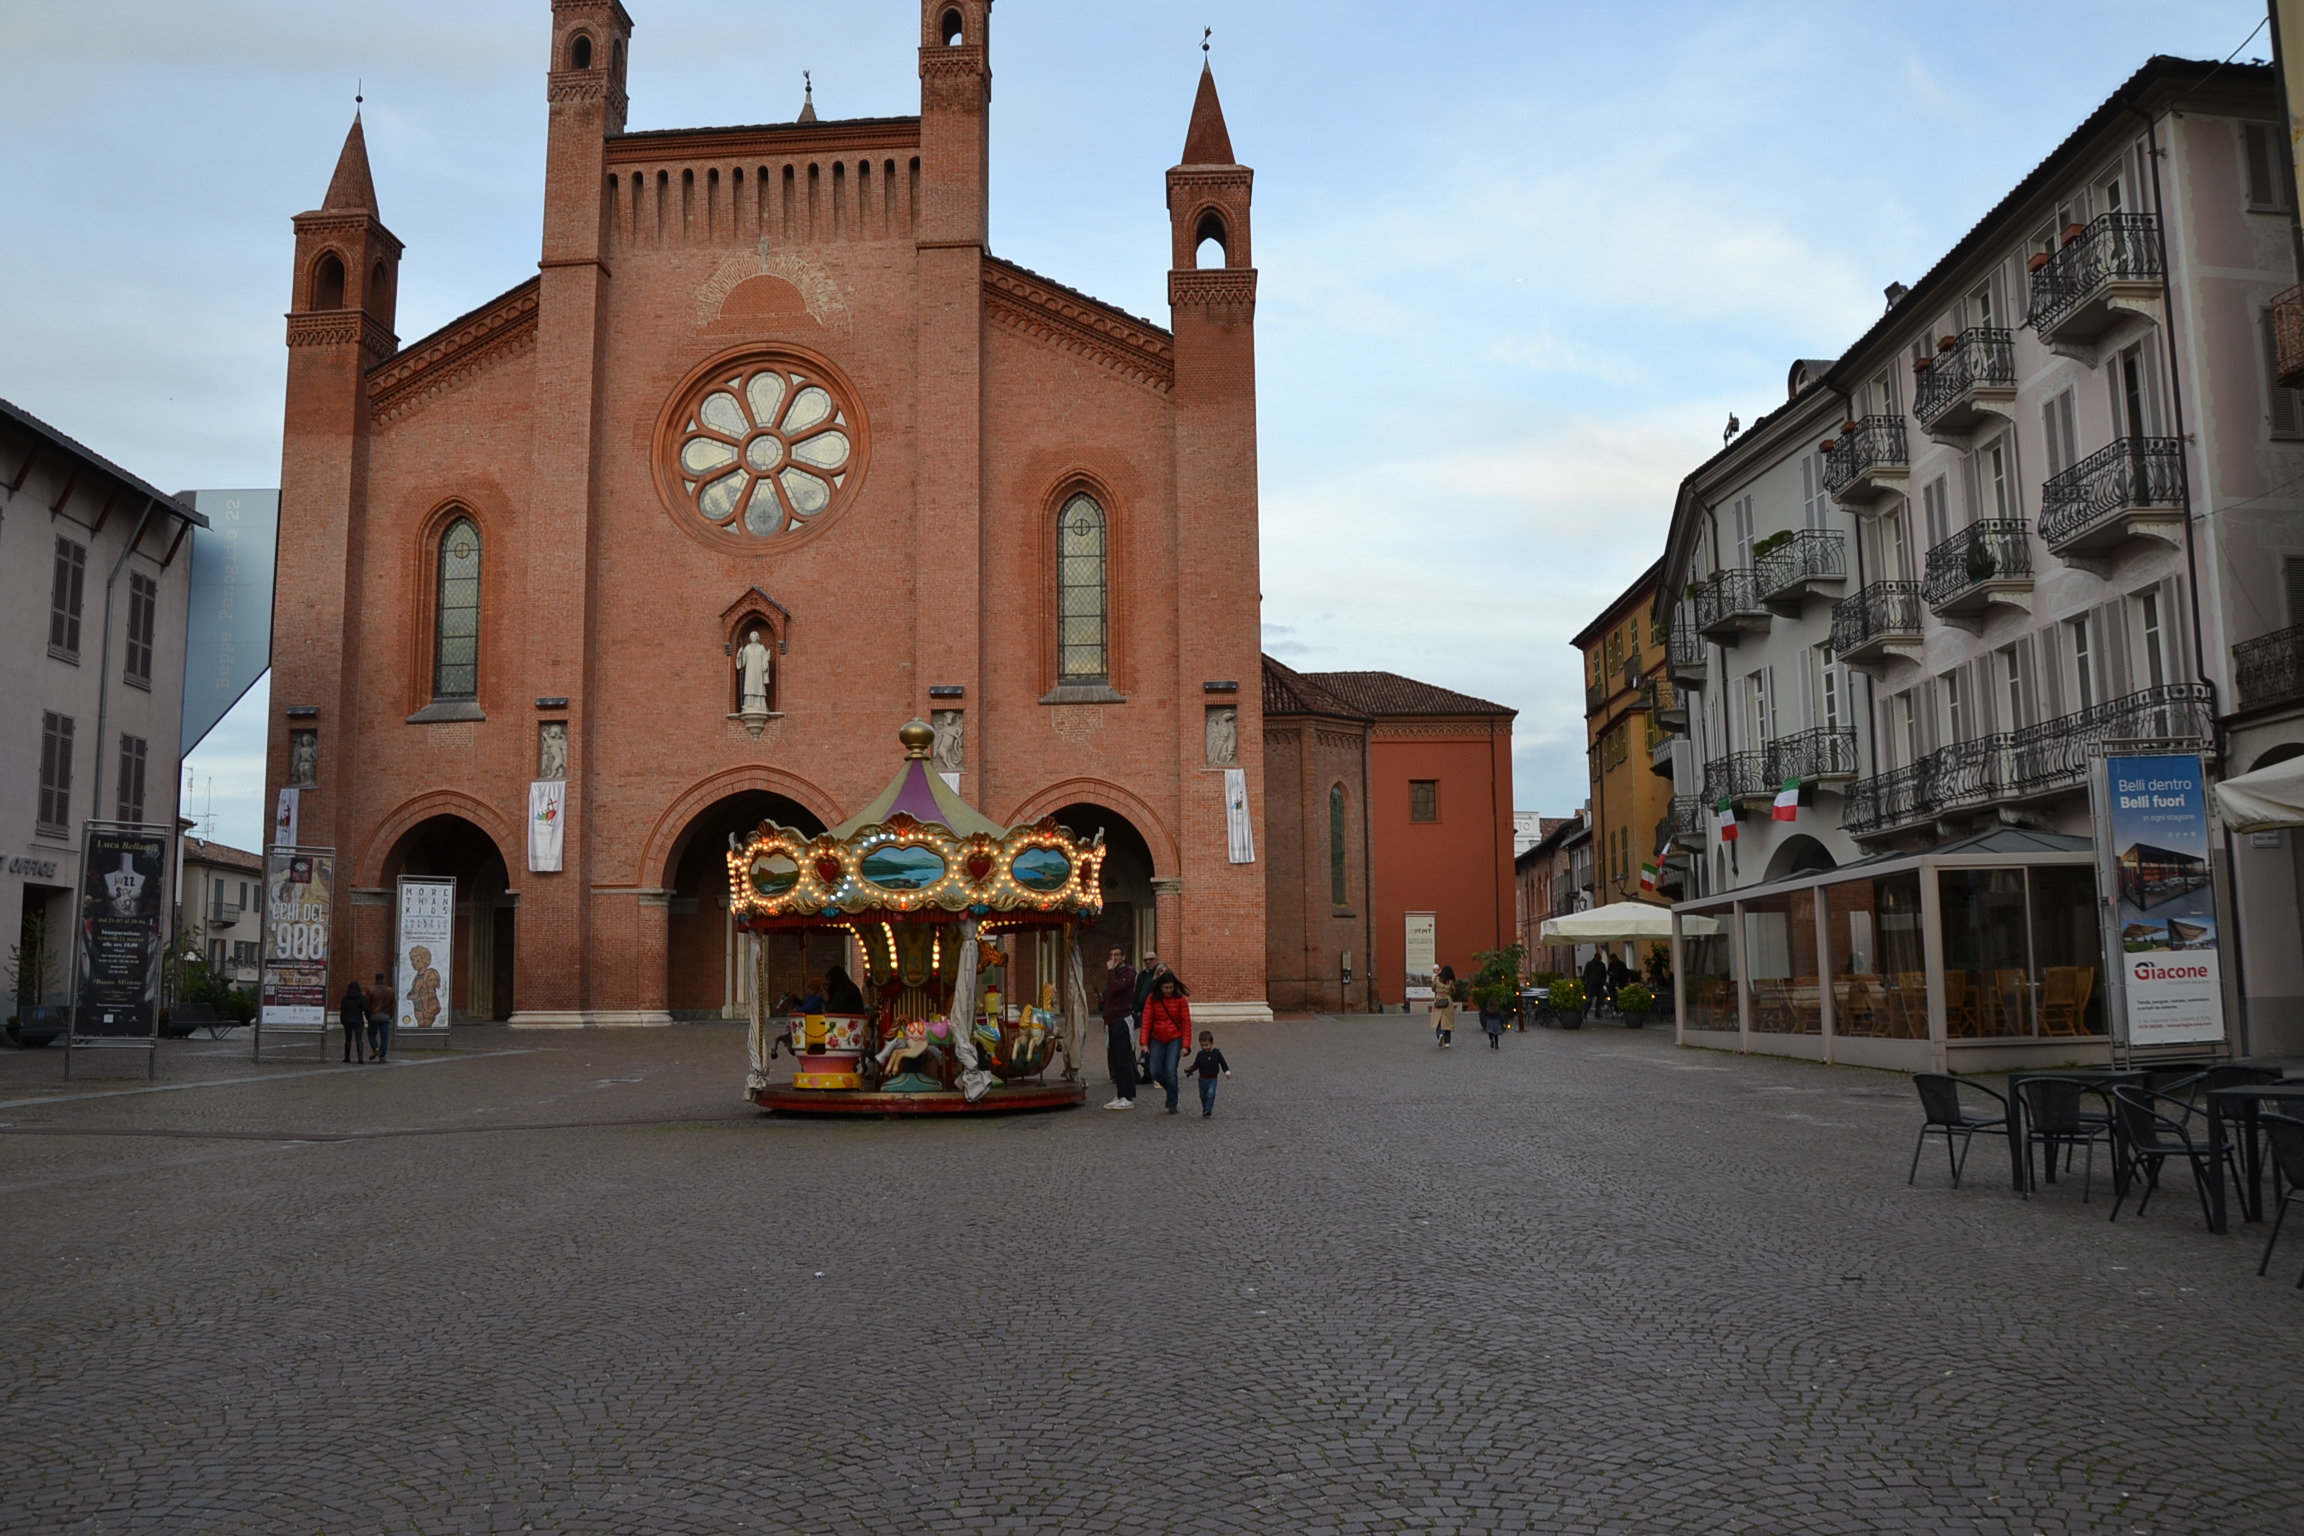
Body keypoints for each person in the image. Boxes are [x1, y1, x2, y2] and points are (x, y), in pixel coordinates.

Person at [1141, 974, 1192, 1113]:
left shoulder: (1180, 1000)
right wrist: (1144, 1043)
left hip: (1175, 1038)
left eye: (1171, 987)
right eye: (1166, 988)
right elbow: (1146, 1021)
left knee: (1170, 1070)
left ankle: (1172, 1102)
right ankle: (1172, 1089)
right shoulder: (1152, 999)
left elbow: (1186, 1023)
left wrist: (1185, 1046)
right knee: (1155, 1071)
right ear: (1160, 987)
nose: (1168, 990)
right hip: (1157, 1038)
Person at [1099, 945, 1138, 1110]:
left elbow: (1116, 987)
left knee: (1123, 1060)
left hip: (1121, 1019)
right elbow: (1112, 993)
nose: (1113, 958)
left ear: (1123, 957)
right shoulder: (1115, 974)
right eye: (1111, 954)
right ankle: (1120, 1094)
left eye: (1116, 955)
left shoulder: (1128, 973)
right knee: (1115, 1060)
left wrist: (1110, 971)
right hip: (1111, 1019)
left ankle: (1127, 1096)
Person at [1183, 1029, 1230, 1117]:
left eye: (1206, 1045)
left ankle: (1208, 1109)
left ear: (1212, 1043)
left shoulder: (1216, 1053)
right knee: (1203, 1095)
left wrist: (1227, 1071)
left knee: (1210, 1093)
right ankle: (1205, 1108)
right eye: (1202, 1046)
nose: (1205, 1047)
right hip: (1202, 1078)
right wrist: (1190, 1070)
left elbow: (1223, 1062)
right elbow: (1196, 1064)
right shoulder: (1200, 1054)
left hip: (1213, 1078)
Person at [367, 971, 396, 1062]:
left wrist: (368, 1016)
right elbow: (393, 1005)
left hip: (374, 1015)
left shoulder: (371, 990)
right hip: (385, 1016)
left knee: (371, 1034)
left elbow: (367, 1004)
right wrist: (391, 1015)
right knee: (385, 1036)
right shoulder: (390, 990)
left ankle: (375, 1048)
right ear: (384, 979)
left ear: (375, 979)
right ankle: (382, 1055)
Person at [339, 978, 369, 1064]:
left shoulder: (345, 998)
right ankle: (360, 1058)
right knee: (359, 1039)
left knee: (348, 1039)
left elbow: (343, 1010)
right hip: (358, 1020)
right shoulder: (361, 998)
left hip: (348, 1020)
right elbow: (365, 1008)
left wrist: (342, 1020)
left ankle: (347, 1057)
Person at [1430, 964, 1456, 1047]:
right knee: (1448, 1021)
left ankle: (1440, 1034)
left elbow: (1433, 988)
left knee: (1439, 1020)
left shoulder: (1437, 979)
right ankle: (1447, 1042)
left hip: (1438, 1000)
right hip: (1447, 1001)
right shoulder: (1450, 981)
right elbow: (1454, 990)